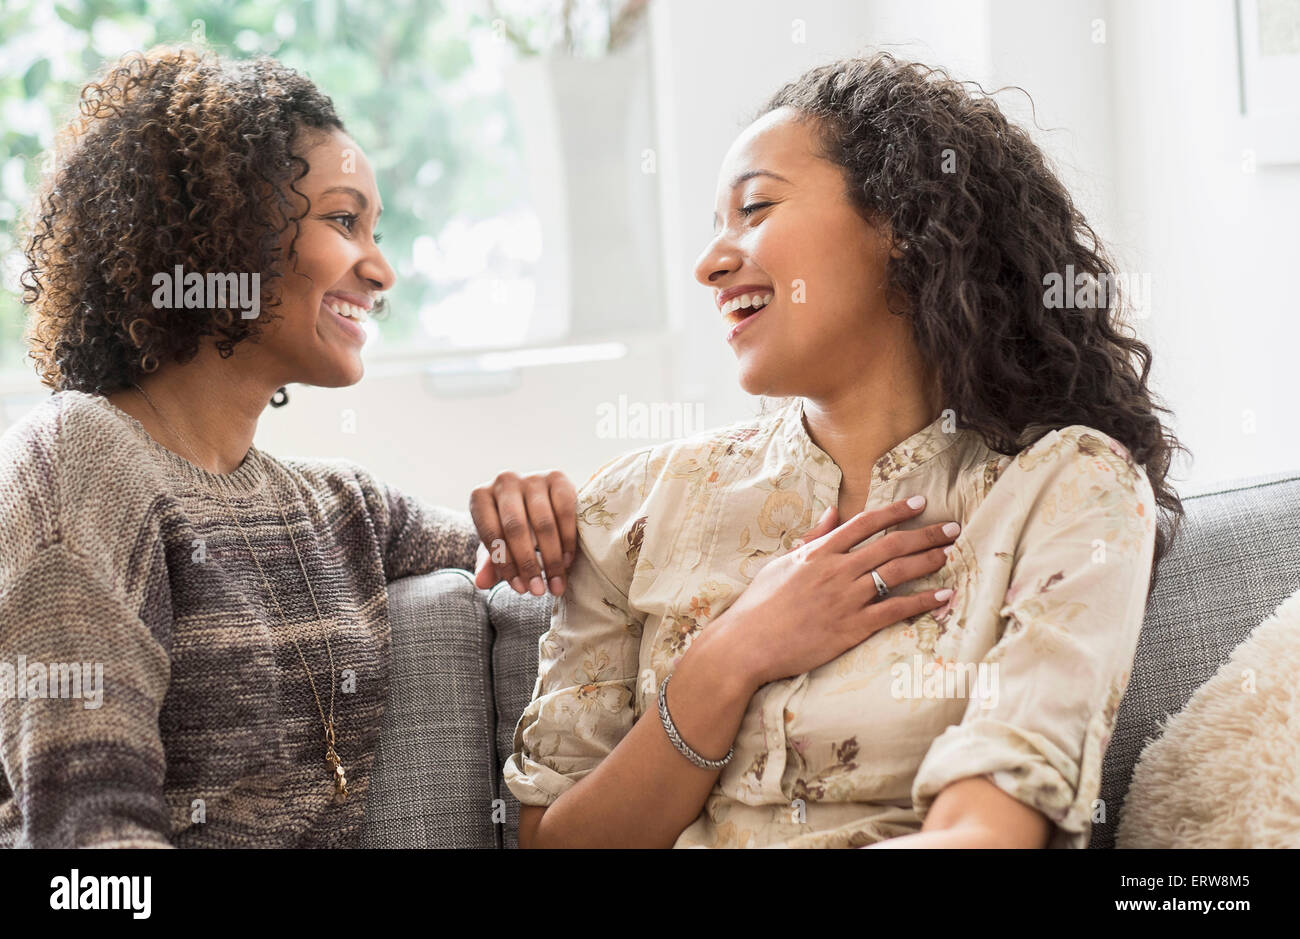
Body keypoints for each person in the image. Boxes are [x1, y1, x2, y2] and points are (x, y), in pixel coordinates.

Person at [503, 52, 1189, 849]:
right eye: (714, 228)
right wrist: (729, 657)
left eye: (754, 208)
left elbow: (987, 834)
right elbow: (557, 841)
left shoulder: (1068, 491)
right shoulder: (634, 507)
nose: (711, 262)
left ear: (901, 222)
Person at [0, 46, 573, 847]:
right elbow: (83, 839)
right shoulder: (81, 461)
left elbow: (529, 552)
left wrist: (537, 510)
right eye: (344, 221)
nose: (381, 270)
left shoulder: (337, 508)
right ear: (224, 230)